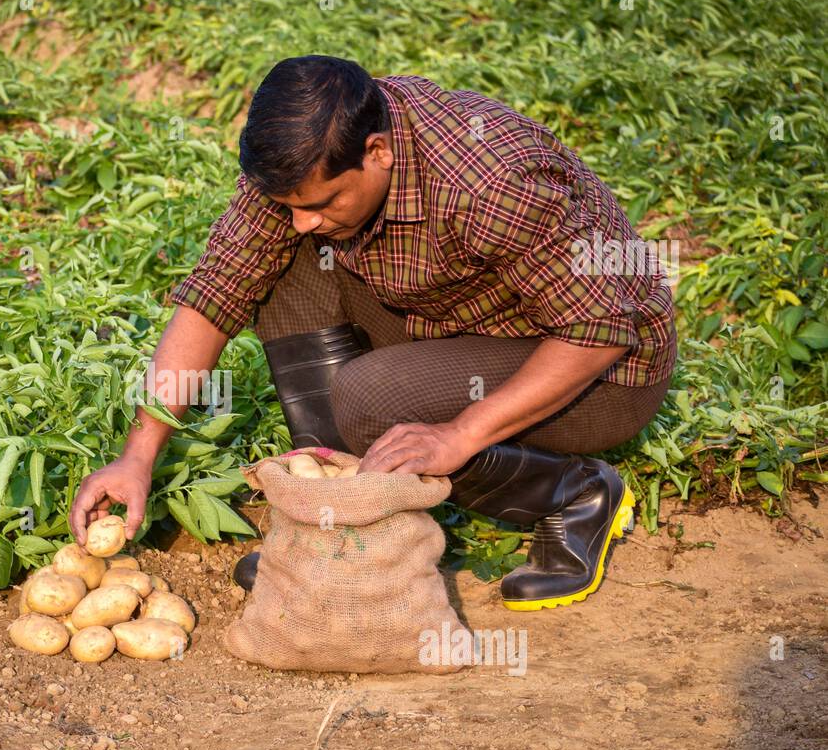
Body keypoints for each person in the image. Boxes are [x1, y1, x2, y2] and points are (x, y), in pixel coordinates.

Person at [70, 55, 676, 611]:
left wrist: (460, 434)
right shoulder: (308, 166)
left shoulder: (489, 182)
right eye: (290, 204)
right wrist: (138, 455)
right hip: (454, 322)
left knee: (367, 400)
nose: (303, 219)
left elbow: (599, 330)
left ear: (378, 151)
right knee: (281, 268)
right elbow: (215, 295)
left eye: (324, 200)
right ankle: (343, 526)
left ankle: (573, 493)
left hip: (598, 369)